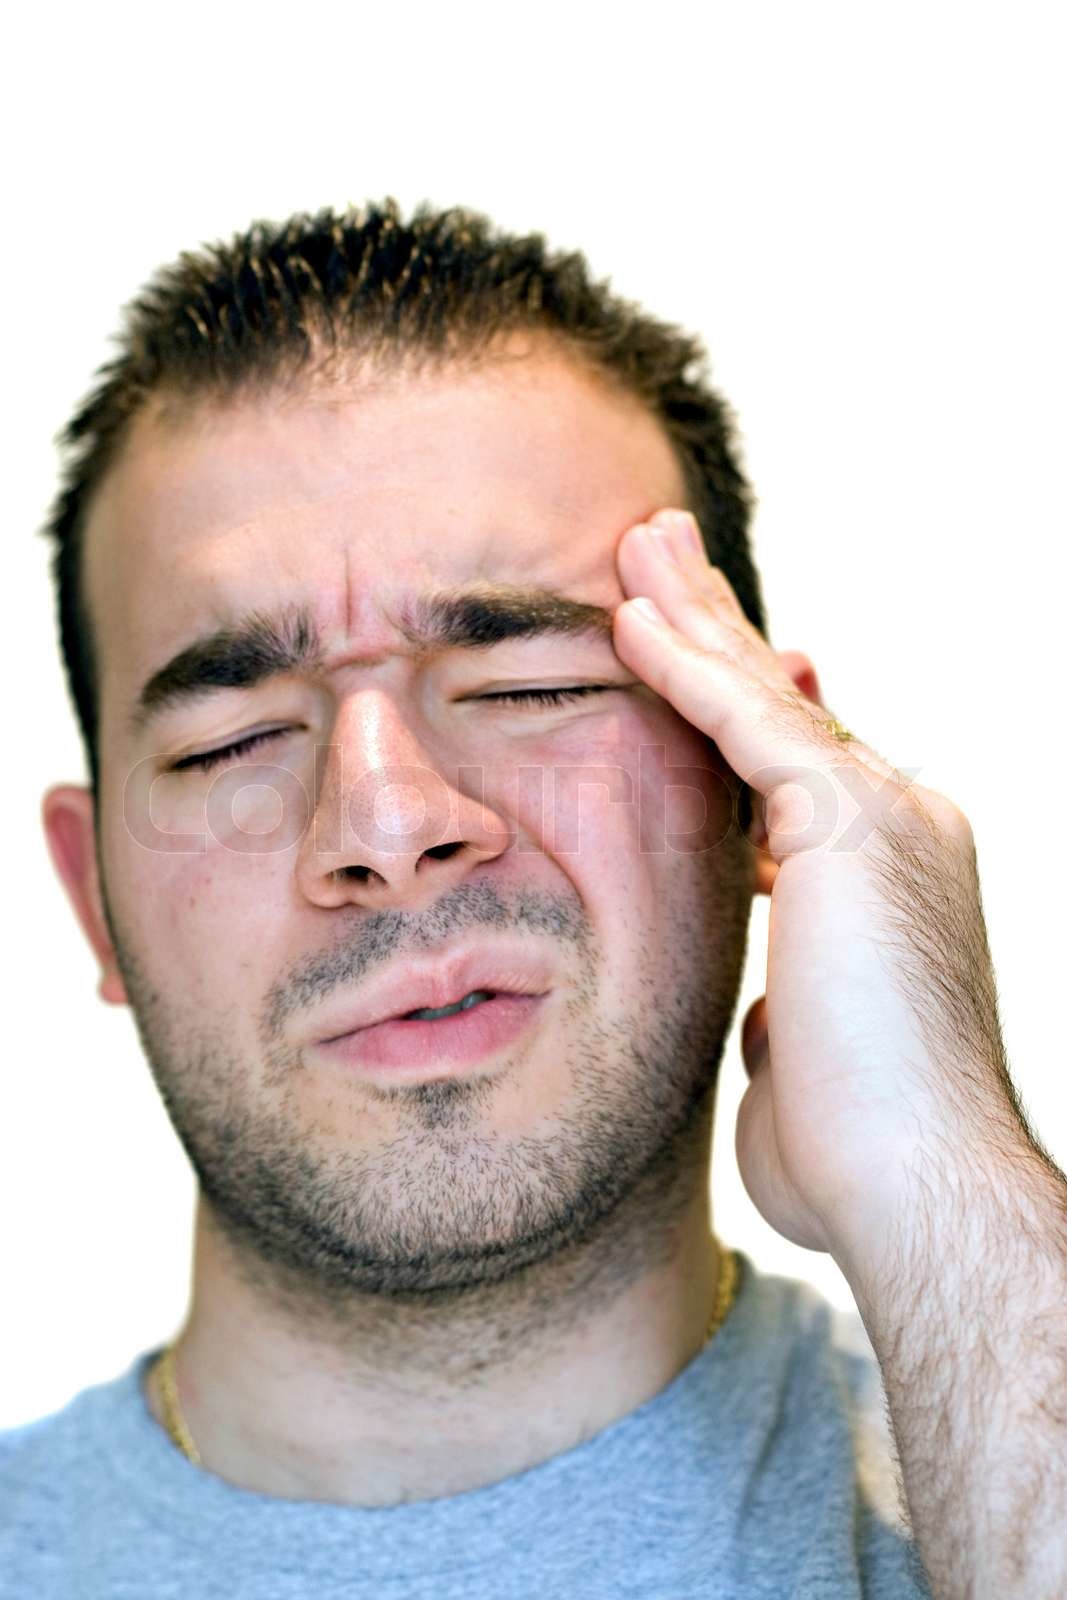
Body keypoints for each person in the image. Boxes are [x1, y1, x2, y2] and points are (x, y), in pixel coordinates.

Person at [4, 198, 1064, 1600]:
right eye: (231, 743)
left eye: (532, 687)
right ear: (95, 902)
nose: (384, 827)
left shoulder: (1007, 1455)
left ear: (768, 780)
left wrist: (954, 1201)